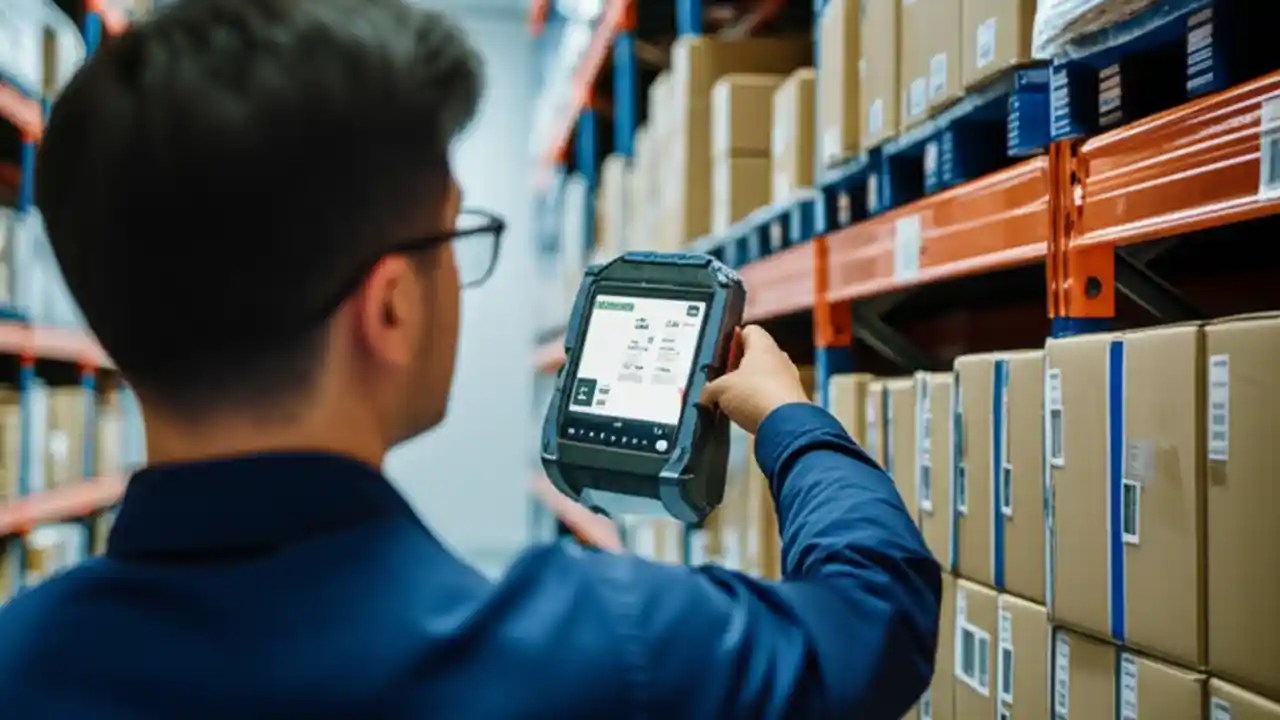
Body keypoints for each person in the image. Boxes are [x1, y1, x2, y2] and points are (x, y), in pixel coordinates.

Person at [0, 0, 941, 717]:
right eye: (454, 237)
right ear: (391, 306)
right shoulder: (602, 649)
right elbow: (876, 622)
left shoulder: (22, 662)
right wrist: (792, 420)